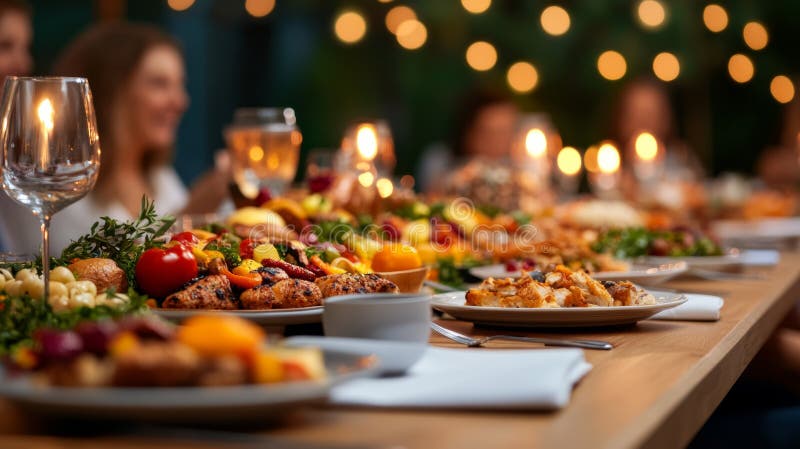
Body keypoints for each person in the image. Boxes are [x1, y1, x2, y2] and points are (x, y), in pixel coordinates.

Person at [0, 22, 230, 254]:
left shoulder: (159, 175)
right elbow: (84, 260)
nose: (180, 102)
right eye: (159, 84)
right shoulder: (59, 178)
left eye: (180, 84)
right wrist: (193, 211)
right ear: (111, 92)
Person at [416, 88, 519, 195]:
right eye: (488, 132)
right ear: (468, 130)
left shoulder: (518, 171)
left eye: (504, 132)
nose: (496, 142)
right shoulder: (439, 159)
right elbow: (430, 195)